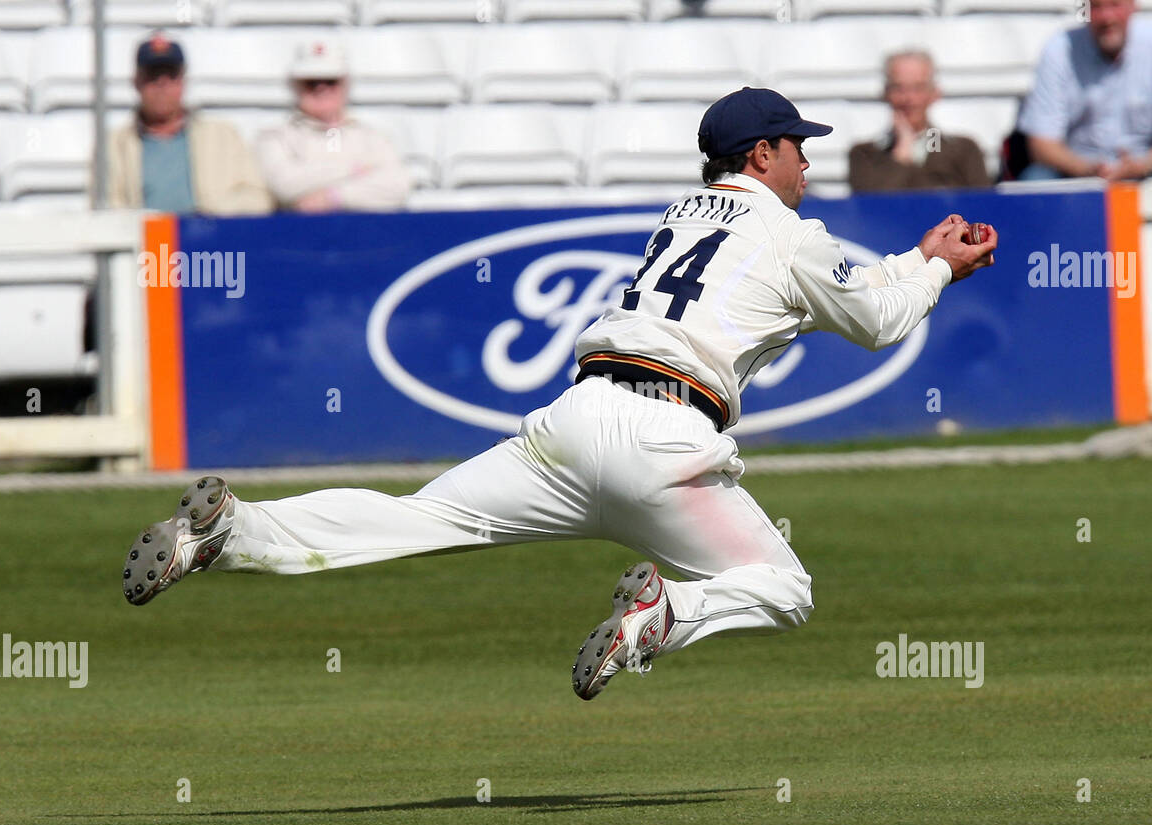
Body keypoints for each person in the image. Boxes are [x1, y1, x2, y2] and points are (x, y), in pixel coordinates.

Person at [121, 87, 998, 701]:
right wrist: (936, 268)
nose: (808, 161)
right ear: (761, 154)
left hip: (573, 423)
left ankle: (233, 531)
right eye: (798, 145)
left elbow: (807, 290)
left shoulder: (680, 218)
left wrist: (914, 259)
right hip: (668, 441)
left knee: (420, 518)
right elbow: (876, 318)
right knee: (782, 587)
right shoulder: (788, 229)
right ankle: (667, 614)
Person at [1017, 0, 1152, 181]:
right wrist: (1086, 169)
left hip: (1148, 172)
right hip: (1076, 173)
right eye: (1096, 6)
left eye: (1115, 4)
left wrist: (1143, 165)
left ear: (1133, 4)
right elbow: (1042, 144)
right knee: (1035, 179)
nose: (1107, 17)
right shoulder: (1059, 50)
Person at [108, 31, 272, 214]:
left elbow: (257, 198)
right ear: (136, 82)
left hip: (210, 238)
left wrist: (211, 213)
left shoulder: (223, 136)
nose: (162, 85)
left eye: (171, 75)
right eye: (153, 77)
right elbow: (106, 212)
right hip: (151, 240)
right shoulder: (114, 145)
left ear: (183, 81)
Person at [255, 38, 409, 213]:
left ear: (345, 84)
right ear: (296, 86)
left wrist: (335, 197)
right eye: (311, 82)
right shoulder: (274, 136)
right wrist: (355, 169)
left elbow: (398, 185)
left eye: (330, 81)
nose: (321, 88)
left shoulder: (371, 136)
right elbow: (284, 184)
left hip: (363, 234)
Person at [849, 50, 990, 191]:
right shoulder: (865, 154)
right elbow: (871, 207)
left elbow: (982, 206)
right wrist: (900, 156)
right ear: (886, 93)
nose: (908, 98)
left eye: (918, 88)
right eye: (899, 88)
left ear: (934, 94)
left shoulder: (964, 150)